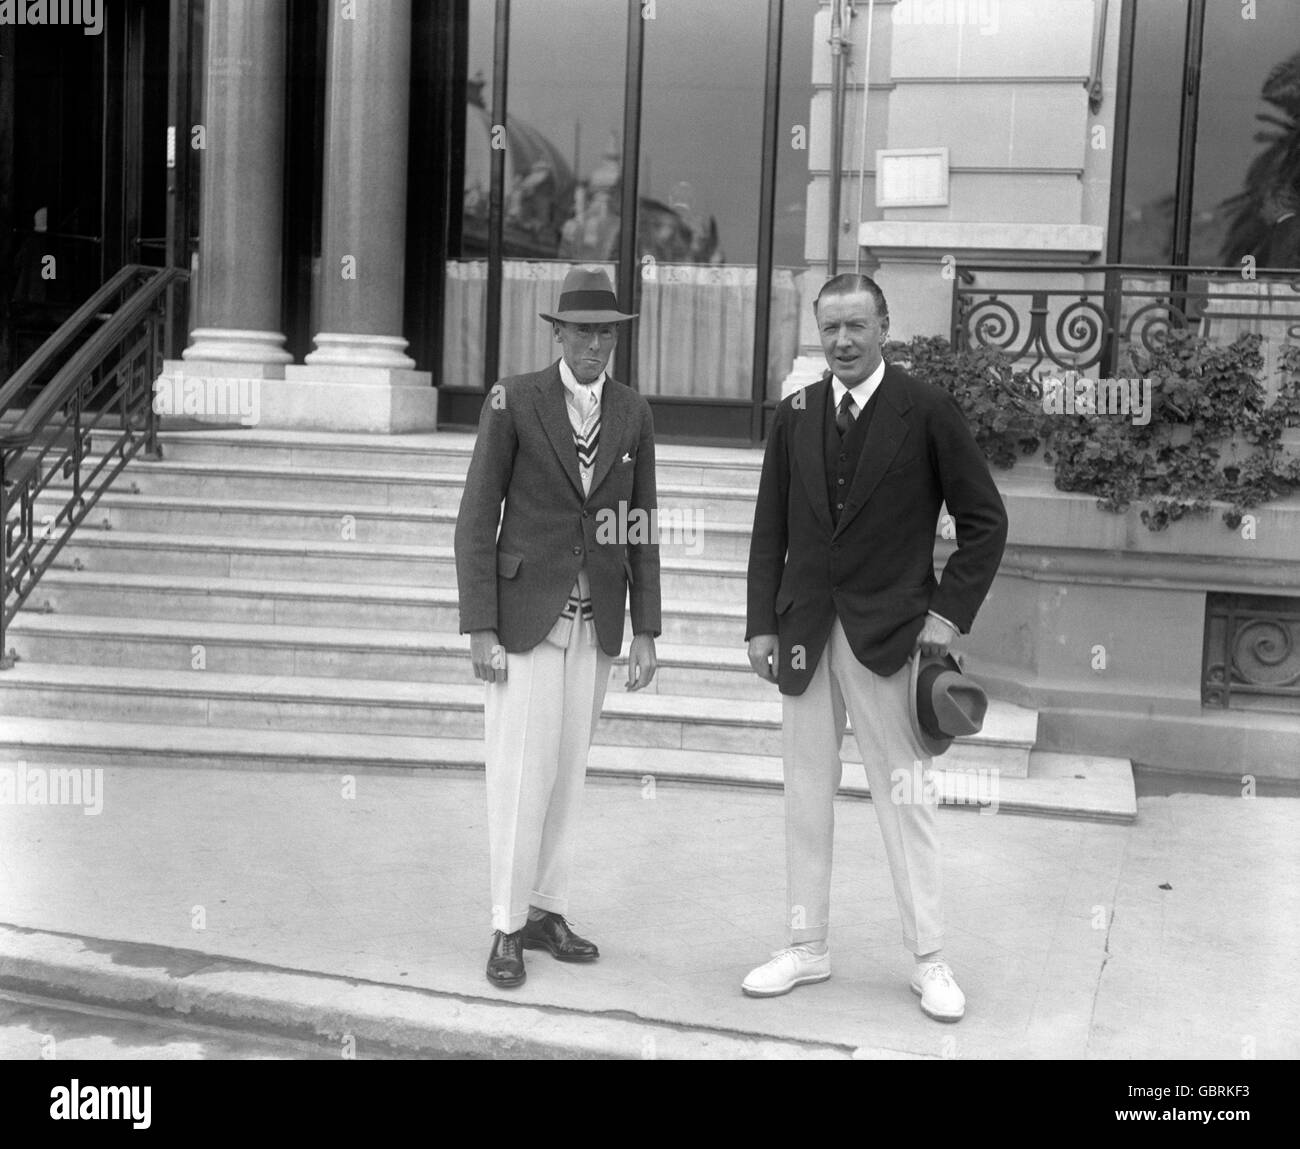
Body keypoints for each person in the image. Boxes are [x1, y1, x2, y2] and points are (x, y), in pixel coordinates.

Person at [742, 273, 1008, 1021]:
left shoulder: (924, 408)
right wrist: (761, 622)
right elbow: (771, 528)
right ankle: (806, 945)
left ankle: (930, 959)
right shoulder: (794, 414)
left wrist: (947, 617)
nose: (843, 341)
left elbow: (985, 520)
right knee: (804, 796)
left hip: (891, 636)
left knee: (907, 797)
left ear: (884, 325)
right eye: (830, 328)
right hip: (802, 634)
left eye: (857, 325)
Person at [454, 266, 661, 989]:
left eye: (606, 334)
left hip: (595, 622)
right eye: (582, 332)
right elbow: (478, 515)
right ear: (559, 333)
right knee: (518, 777)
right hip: (525, 622)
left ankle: (547, 911)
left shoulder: (632, 412)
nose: (595, 346)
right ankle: (506, 924)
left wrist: (645, 628)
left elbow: (639, 524)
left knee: (567, 775)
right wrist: (480, 624)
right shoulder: (515, 398)